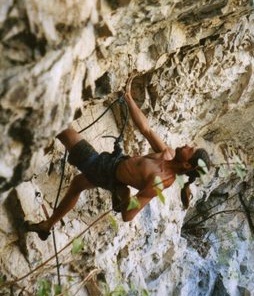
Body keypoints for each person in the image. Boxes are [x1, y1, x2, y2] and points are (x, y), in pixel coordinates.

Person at [25, 80, 211, 240]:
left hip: (102, 168)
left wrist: (125, 196)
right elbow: (146, 130)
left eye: (190, 150)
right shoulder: (167, 154)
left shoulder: (159, 183)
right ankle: (47, 226)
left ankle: (23, 121)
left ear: (187, 164)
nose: (187, 144)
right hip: (113, 167)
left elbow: (129, 215)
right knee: (78, 184)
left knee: (62, 128)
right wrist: (128, 97)